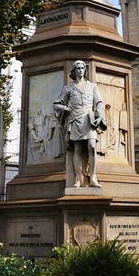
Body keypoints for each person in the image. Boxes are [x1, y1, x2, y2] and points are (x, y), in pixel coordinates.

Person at [53, 60, 106, 188]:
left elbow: (99, 102)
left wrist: (99, 116)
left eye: (83, 68)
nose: (81, 70)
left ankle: (93, 177)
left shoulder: (92, 86)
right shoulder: (69, 87)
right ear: (74, 71)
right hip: (75, 118)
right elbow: (57, 104)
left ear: (85, 70)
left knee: (92, 146)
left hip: (89, 118)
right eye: (78, 68)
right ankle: (78, 178)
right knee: (77, 148)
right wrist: (66, 109)